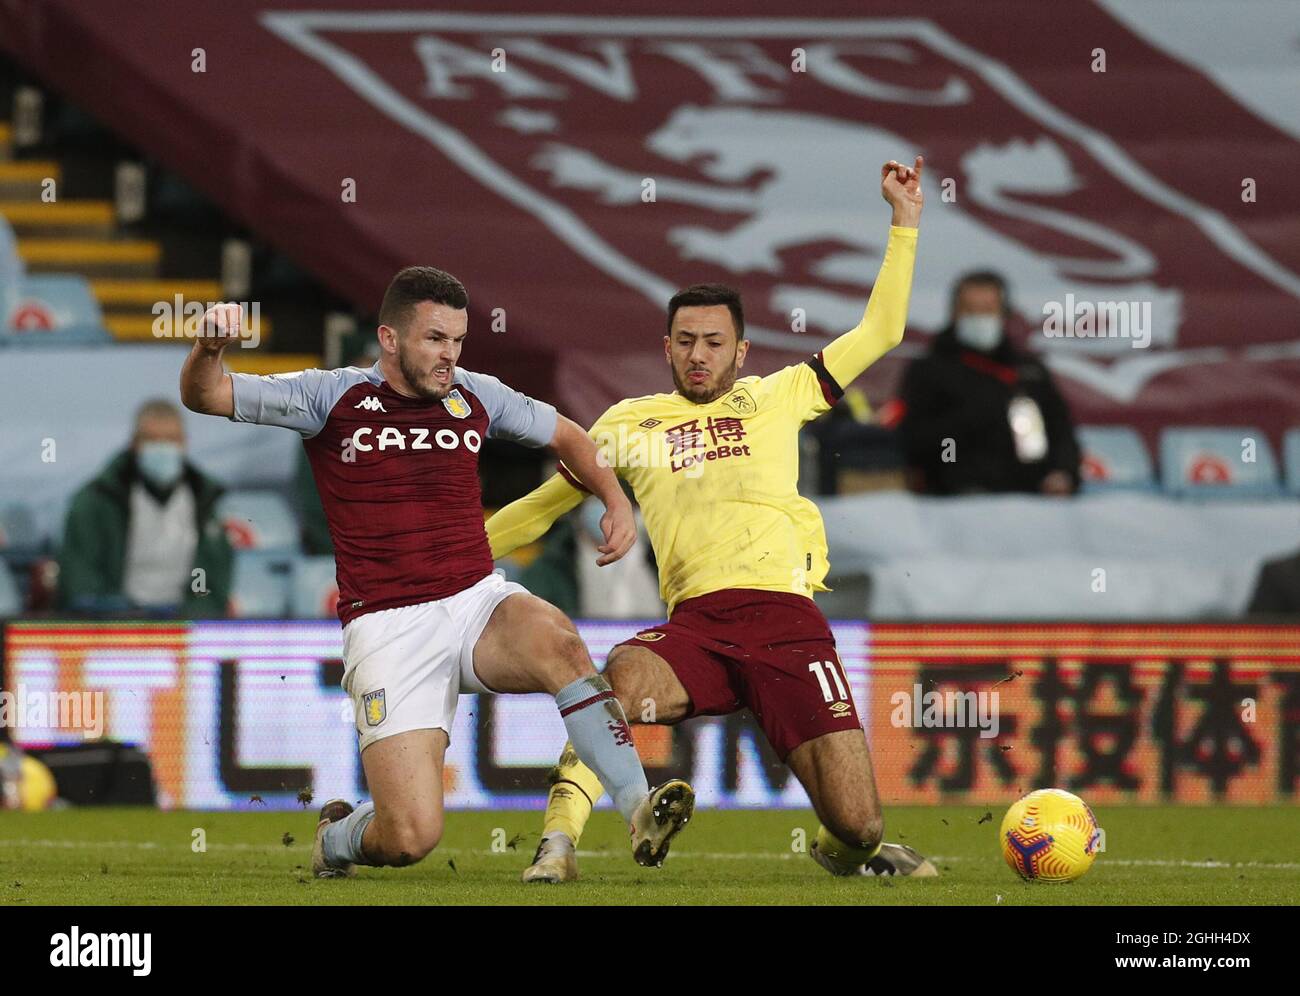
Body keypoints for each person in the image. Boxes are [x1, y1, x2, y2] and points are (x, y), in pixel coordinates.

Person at [487, 157, 937, 883]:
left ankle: (843, 850)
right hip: (695, 625)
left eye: (715, 343)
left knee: (860, 824)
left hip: (790, 624)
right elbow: (540, 511)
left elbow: (881, 330)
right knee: (616, 681)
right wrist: (448, 558)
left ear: (742, 351)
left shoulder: (781, 395)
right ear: (666, 347)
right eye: (686, 342)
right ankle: (557, 847)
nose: (699, 356)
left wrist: (905, 222)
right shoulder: (628, 424)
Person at [179, 267, 693, 878]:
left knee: (561, 643)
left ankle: (639, 808)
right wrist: (208, 349)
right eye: (434, 339)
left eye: (457, 340)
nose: (448, 355)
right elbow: (207, 395)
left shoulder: (475, 394)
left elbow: (567, 434)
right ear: (390, 339)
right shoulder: (329, 395)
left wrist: (613, 499)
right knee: (408, 838)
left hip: (476, 602)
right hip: (388, 628)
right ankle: (338, 837)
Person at [897, 270, 1080, 495]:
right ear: (954, 314)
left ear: (1003, 314)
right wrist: (966, 427)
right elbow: (917, 441)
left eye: (987, 310)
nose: (979, 318)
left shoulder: (1029, 371)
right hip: (956, 501)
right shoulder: (930, 371)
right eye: (970, 310)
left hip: (1032, 500)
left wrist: (1064, 472)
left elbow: (1061, 431)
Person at [57, 399, 232, 616]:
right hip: (116, 629)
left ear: (184, 444)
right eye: (151, 440)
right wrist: (117, 618)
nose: (162, 448)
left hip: (183, 628)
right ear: (134, 444)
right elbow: (80, 579)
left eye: (171, 440)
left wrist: (191, 618)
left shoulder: (205, 502)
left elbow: (212, 584)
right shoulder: (94, 503)